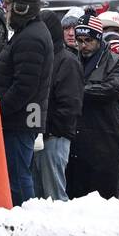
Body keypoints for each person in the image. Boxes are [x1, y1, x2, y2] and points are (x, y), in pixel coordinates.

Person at [0, 0, 53, 205]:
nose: (5, 9)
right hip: (20, 118)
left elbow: (24, 86)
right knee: (17, 173)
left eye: (8, 5)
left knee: (17, 176)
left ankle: (25, 218)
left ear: (21, 7)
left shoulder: (31, 37)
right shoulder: (28, 33)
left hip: (19, 119)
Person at [67, 16, 119, 199]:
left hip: (105, 135)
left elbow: (110, 90)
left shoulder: (116, 61)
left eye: (88, 40)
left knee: (104, 194)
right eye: (80, 41)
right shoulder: (72, 60)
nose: (83, 45)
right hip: (77, 136)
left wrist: (77, 90)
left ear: (99, 39)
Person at [33, 11, 82, 202]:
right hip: (41, 136)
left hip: (55, 137)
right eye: (66, 28)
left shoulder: (66, 61)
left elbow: (70, 105)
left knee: (54, 196)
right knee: (38, 197)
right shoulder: (46, 58)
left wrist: (49, 129)